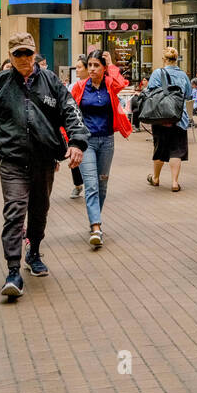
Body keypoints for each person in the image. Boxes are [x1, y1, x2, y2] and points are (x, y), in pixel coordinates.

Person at [0, 33, 89, 299]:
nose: (24, 59)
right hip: (12, 160)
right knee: (14, 211)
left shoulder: (51, 82)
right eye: (18, 55)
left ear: (35, 53)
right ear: (11, 56)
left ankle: (34, 252)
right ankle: (13, 270)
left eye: (28, 54)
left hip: (44, 160)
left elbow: (71, 112)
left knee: (39, 211)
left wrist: (77, 143)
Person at [71, 50, 132, 249]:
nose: (92, 69)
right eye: (90, 65)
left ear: (103, 68)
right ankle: (96, 227)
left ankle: (95, 218)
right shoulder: (80, 87)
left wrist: (112, 64)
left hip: (107, 140)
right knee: (91, 185)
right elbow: (70, 114)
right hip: (86, 142)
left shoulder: (109, 85)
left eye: (97, 65)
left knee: (102, 184)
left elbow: (122, 83)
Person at [146, 48, 193, 192]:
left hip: (160, 117)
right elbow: (189, 95)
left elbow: (150, 92)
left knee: (159, 148)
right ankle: (174, 182)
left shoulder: (157, 73)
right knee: (176, 150)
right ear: (176, 59)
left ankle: (156, 178)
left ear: (164, 59)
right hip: (179, 117)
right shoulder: (183, 75)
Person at [67, 56, 88, 199]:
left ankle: (91, 186)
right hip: (75, 127)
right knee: (74, 155)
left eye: (80, 67)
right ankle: (78, 184)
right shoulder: (72, 86)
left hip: (90, 127)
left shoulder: (94, 85)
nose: (77, 70)